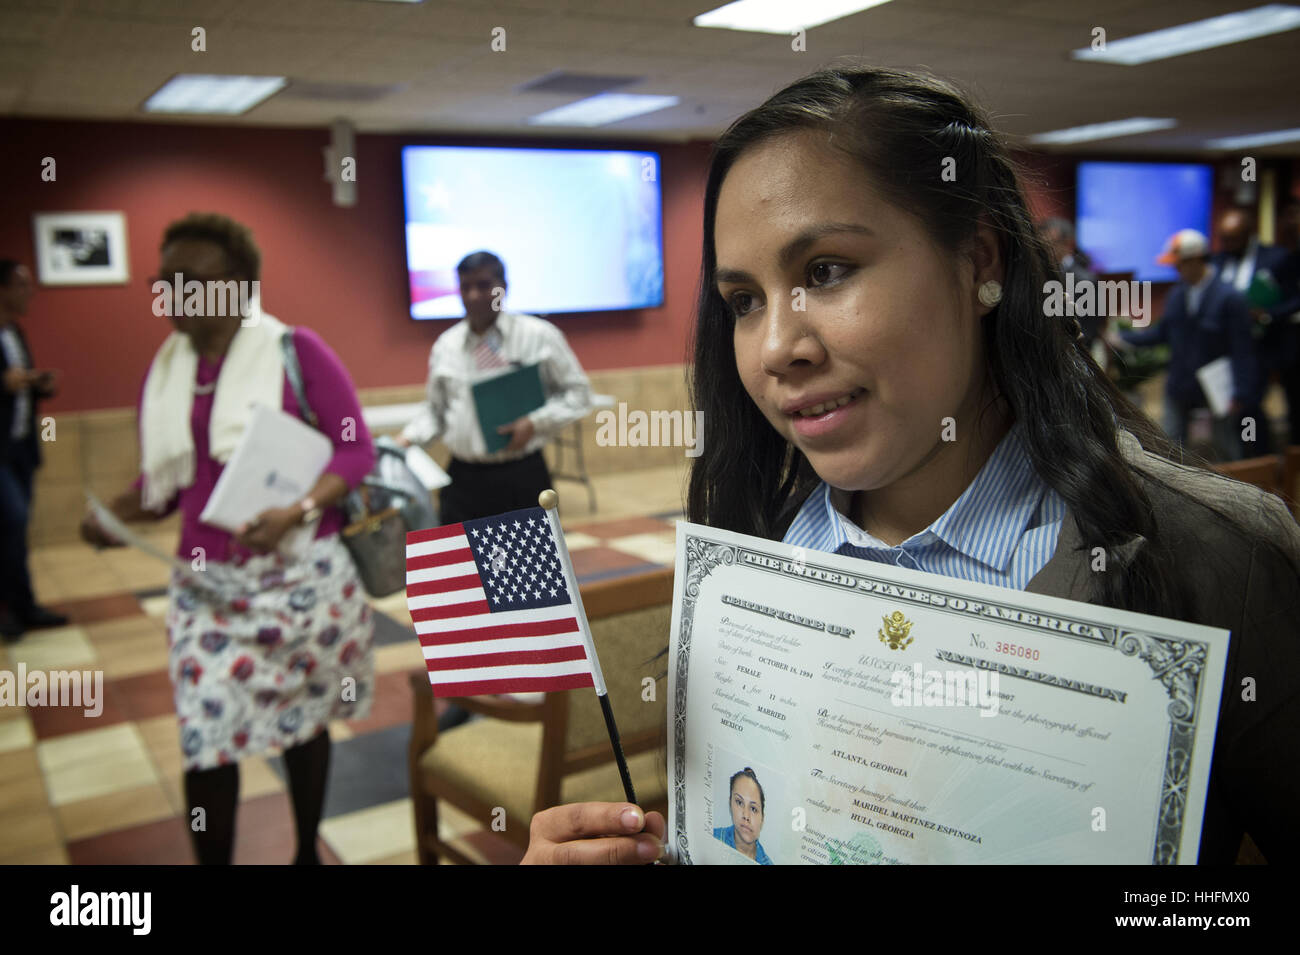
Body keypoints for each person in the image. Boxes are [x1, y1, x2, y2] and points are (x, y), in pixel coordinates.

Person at [521, 67, 1300, 865]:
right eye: (745, 300)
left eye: (825, 270)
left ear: (981, 262)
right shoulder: (748, 565)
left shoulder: (1216, 561)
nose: (777, 346)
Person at [80, 213, 376, 864]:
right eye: (166, 281)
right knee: (205, 739)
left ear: (239, 284)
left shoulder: (295, 351)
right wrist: (119, 515)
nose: (174, 295)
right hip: (205, 589)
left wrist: (296, 509)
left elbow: (357, 451)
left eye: (192, 281)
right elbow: (169, 484)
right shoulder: (166, 373)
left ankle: (305, 853)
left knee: (302, 726)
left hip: (298, 580)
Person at [397, 251, 593, 524]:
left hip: (522, 476)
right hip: (463, 479)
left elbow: (579, 395)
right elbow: (436, 411)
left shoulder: (539, 336)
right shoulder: (446, 345)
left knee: (527, 564)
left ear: (503, 288)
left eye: (484, 286)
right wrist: (406, 440)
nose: (474, 295)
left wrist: (536, 422)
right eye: (466, 287)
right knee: (461, 565)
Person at [1119, 229, 1261, 461]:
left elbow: (1243, 350)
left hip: (1217, 385)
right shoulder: (1176, 295)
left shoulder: (1230, 297)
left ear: (1195, 260)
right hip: (1180, 382)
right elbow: (1162, 334)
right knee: (1171, 444)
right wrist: (1125, 339)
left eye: (1179, 264)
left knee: (1227, 446)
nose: (1176, 270)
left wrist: (1241, 392)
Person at [0, 259, 68, 641]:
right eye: (22, 284)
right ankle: (8, 609)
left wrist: (37, 384)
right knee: (10, 521)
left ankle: (24, 604)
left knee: (17, 529)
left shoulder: (15, 334)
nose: (30, 292)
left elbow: (18, 384)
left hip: (20, 446)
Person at [1212, 207, 1300, 449]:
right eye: (1224, 239)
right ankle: (1249, 456)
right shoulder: (1218, 262)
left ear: (1249, 234)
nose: (1227, 244)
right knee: (1241, 405)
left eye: (1233, 238)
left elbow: (1295, 299)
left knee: (1262, 405)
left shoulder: (1277, 258)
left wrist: (1268, 315)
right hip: (1232, 349)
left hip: (1269, 345)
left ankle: (1271, 458)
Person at [1039, 218, 1103, 352]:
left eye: (1050, 245)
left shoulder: (1085, 281)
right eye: (1041, 246)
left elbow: (1088, 332)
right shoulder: (1039, 275)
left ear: (1068, 244)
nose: (1044, 252)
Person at [713, 768, 772, 864]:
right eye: (739, 802)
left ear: (762, 818)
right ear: (730, 804)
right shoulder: (712, 837)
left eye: (753, 809)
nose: (746, 816)